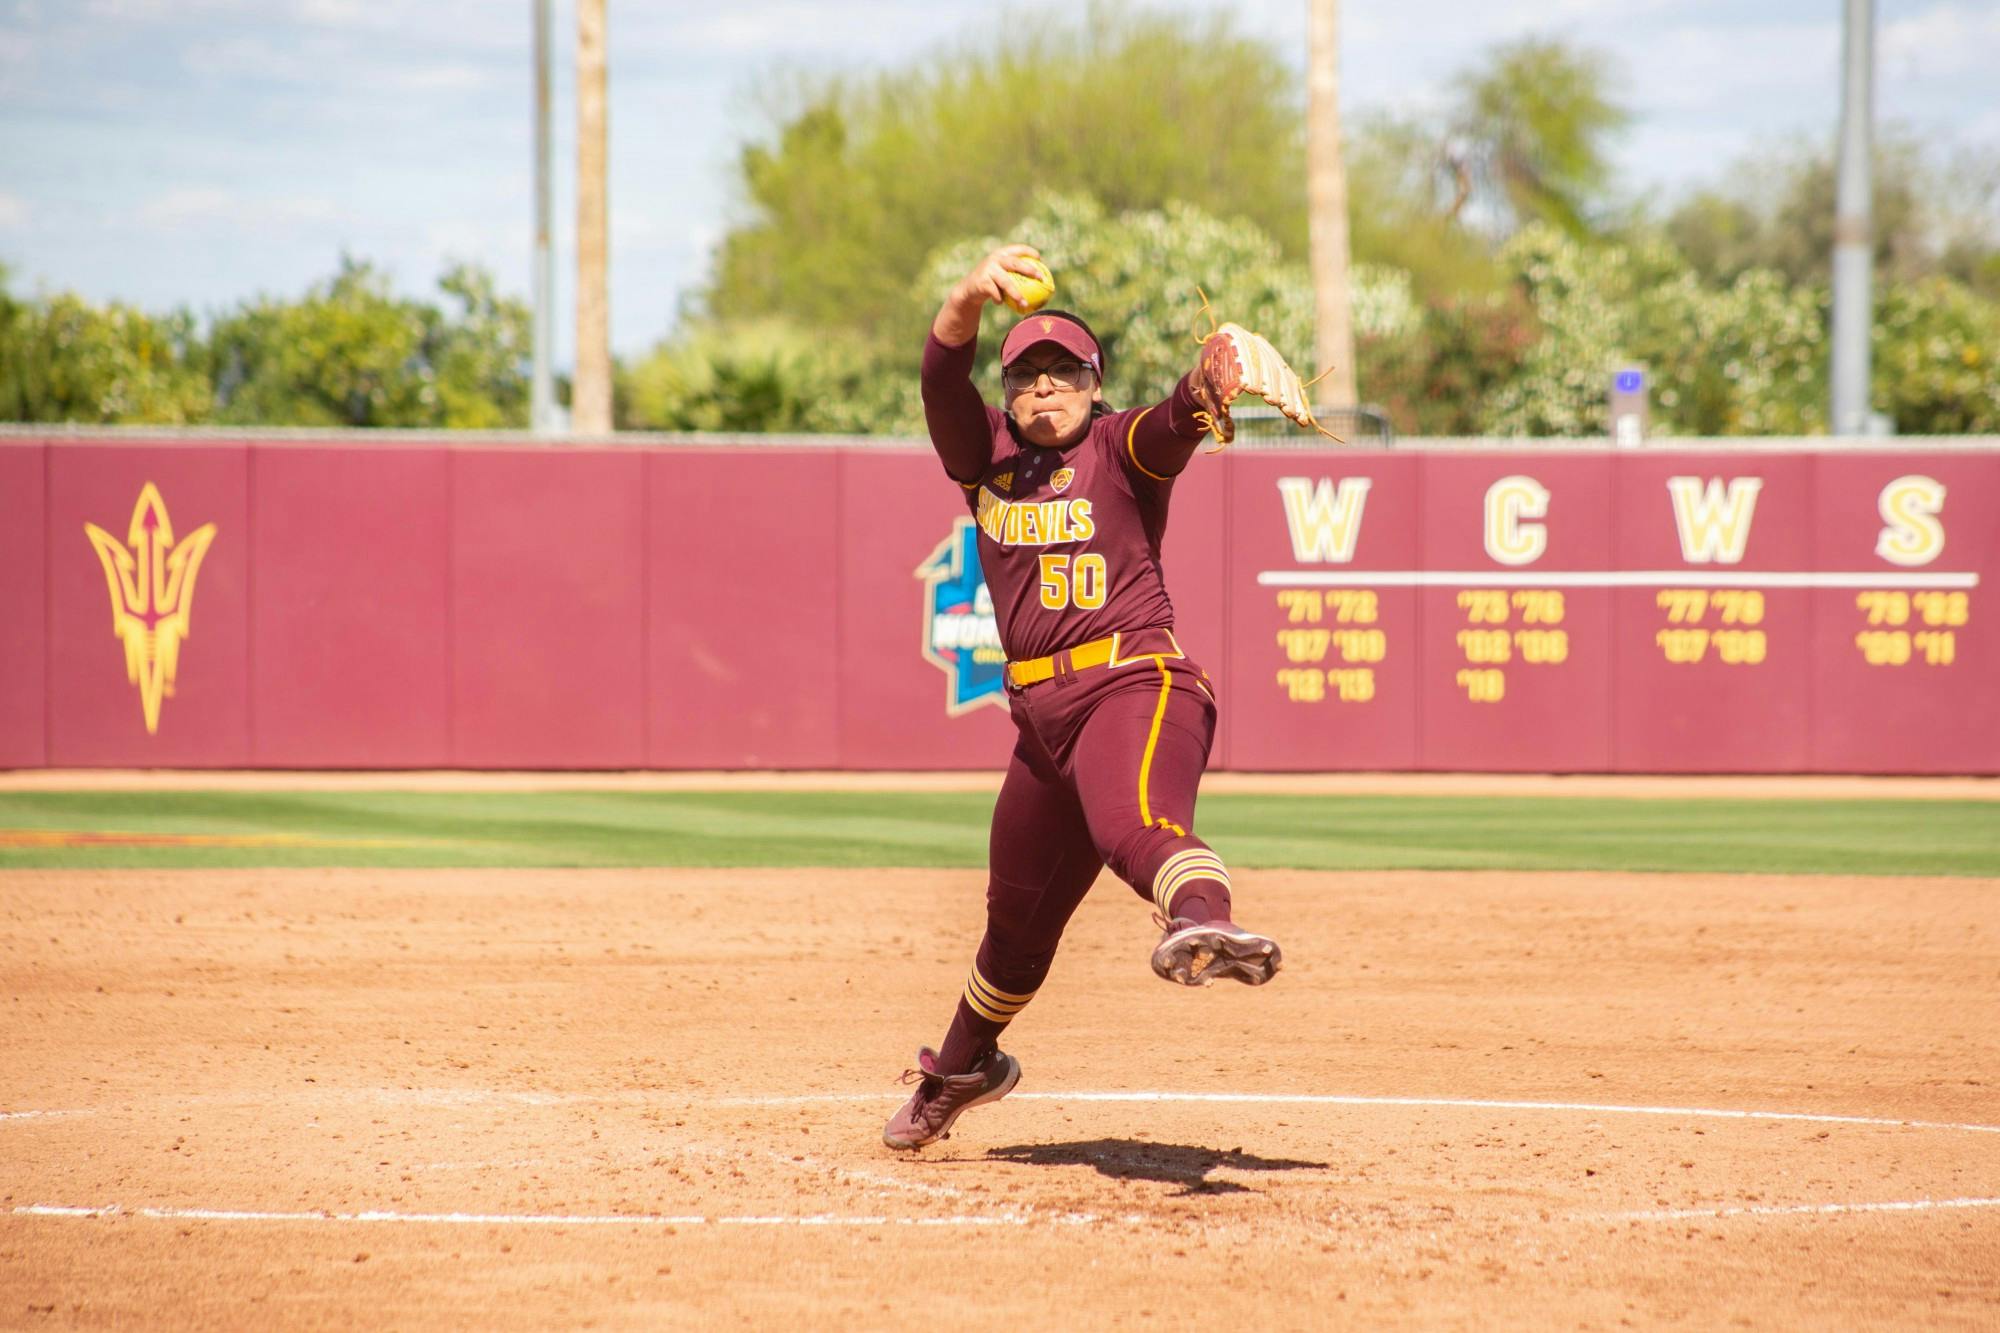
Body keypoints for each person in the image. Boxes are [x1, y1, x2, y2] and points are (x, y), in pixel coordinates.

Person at [883, 243, 1285, 1151]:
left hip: (1136, 684)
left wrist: (1201, 388)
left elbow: (1175, 424)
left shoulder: (1118, 447)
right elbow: (941, 371)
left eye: (1066, 372)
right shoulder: (983, 457)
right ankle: (960, 1071)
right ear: (1011, 393)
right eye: (1027, 375)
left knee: (1134, 825)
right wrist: (965, 292)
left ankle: (1208, 927)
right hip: (1040, 723)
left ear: (1095, 386)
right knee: (1013, 931)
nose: (1046, 388)